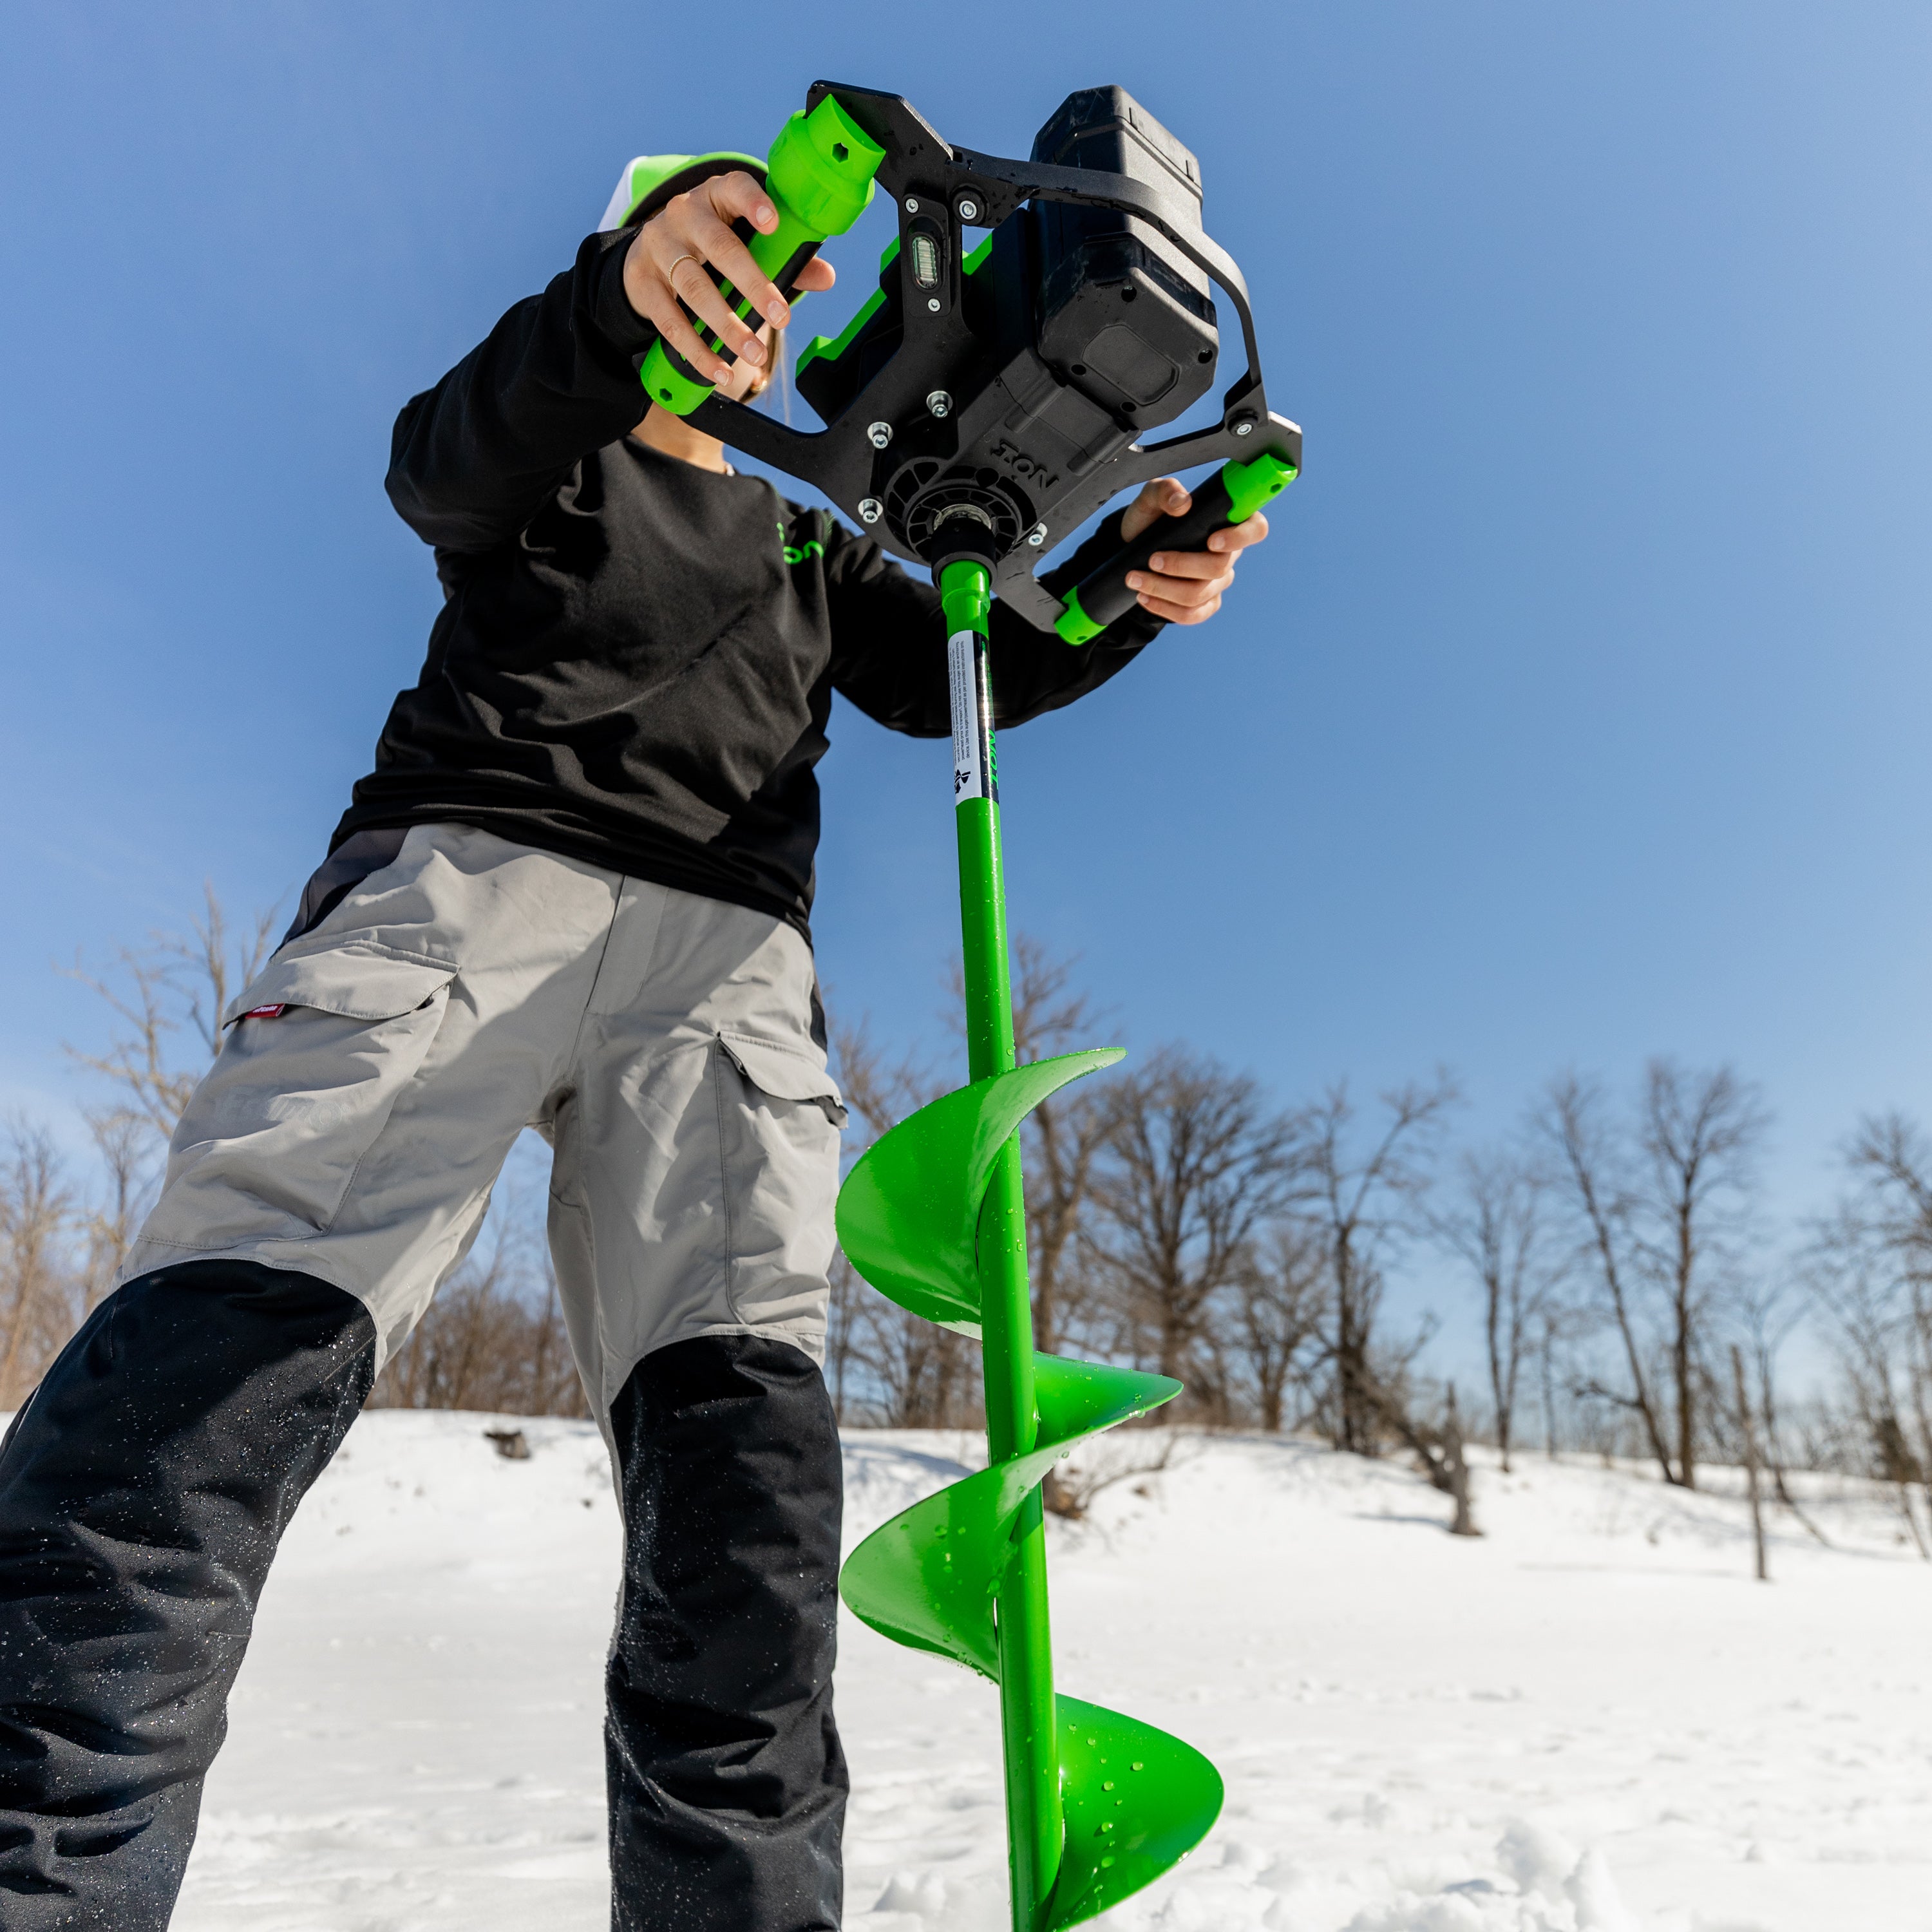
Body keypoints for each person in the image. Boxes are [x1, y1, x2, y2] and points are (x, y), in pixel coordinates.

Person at [0, 147, 1271, 1931]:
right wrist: (612, 304)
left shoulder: (810, 529)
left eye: (778, 279)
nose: (760, 308)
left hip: (726, 975)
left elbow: (955, 671)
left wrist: (1130, 586)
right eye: (720, 261)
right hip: (459, 897)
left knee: (744, 1519)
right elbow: (437, 452)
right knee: (181, 1438)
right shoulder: (550, 430)